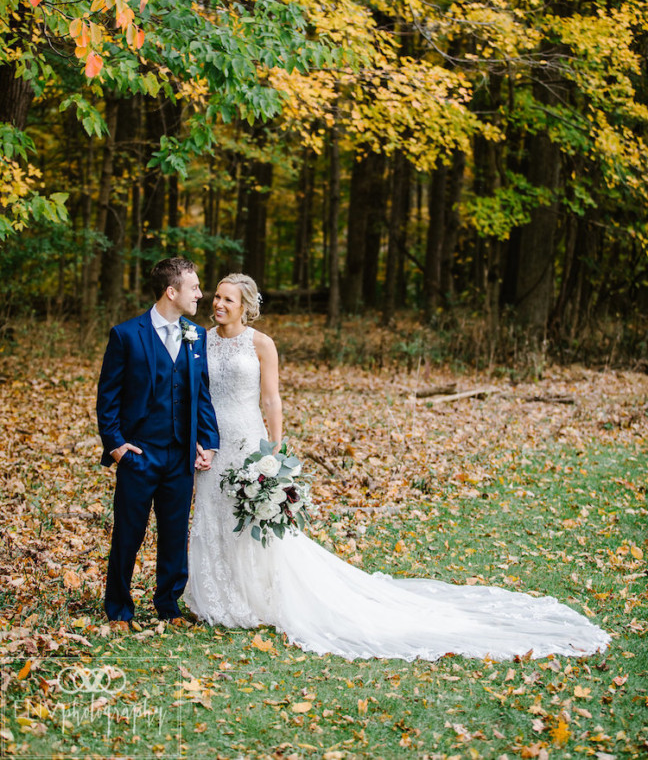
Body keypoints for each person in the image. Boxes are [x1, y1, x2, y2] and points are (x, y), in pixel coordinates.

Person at [184, 273, 610, 661]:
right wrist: (200, 439)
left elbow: (272, 398)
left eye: (227, 299)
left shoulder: (261, 344)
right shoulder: (201, 340)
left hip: (250, 441)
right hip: (213, 442)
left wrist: (275, 452)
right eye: (216, 296)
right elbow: (195, 394)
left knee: (255, 519)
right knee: (214, 513)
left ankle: (258, 598)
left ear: (245, 307)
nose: (217, 303)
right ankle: (219, 596)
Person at [97, 257, 219, 627]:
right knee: (128, 533)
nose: (200, 294)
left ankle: (169, 605)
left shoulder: (195, 335)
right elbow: (108, 397)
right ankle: (119, 608)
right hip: (139, 454)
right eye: (193, 287)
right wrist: (116, 446)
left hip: (180, 454)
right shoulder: (126, 335)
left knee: (174, 534)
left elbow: (201, 394)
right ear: (171, 292)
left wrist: (209, 442)